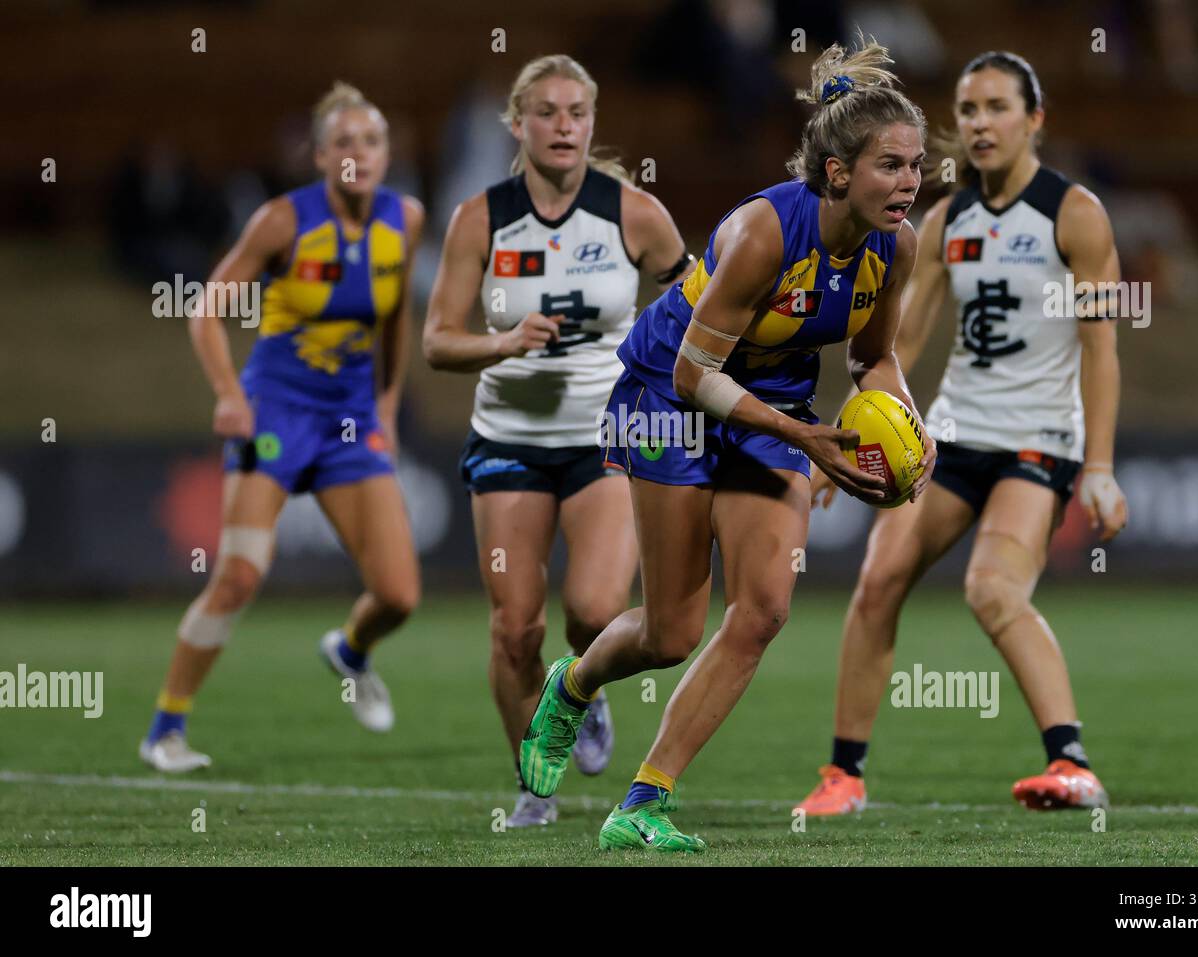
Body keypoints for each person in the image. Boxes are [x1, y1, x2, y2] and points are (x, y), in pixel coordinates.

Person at [518, 38, 936, 852]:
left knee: (764, 610)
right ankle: (569, 687)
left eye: (918, 165)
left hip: (774, 403)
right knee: (671, 632)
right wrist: (806, 439)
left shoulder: (897, 245)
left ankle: (643, 800)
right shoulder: (761, 231)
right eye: (891, 165)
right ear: (840, 171)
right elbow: (690, 372)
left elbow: (870, 358)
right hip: (667, 397)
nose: (910, 183)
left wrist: (909, 430)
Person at [794, 52, 1128, 816]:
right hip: (952, 432)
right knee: (877, 582)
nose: (979, 123)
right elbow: (898, 347)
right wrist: (837, 446)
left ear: (1034, 118)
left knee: (990, 587)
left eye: (997, 107)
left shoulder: (1076, 213)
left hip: (1039, 437)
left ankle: (1071, 762)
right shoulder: (945, 219)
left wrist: (1102, 464)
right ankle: (843, 776)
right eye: (968, 109)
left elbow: (1102, 344)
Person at [422, 55, 691, 827]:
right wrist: (501, 344)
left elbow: (698, 307)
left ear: (593, 123)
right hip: (509, 438)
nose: (564, 124)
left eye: (577, 111)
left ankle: (585, 687)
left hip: (605, 437)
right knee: (514, 627)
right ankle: (534, 787)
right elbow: (438, 341)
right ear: (518, 124)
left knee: (596, 608)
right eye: (546, 111)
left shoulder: (634, 213)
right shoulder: (481, 216)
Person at [140, 83, 424, 772]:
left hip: (350, 421)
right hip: (274, 413)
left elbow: (393, 315)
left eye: (372, 140)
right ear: (322, 155)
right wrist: (229, 394)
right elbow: (205, 308)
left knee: (398, 595)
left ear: (387, 153)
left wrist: (387, 400)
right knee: (238, 573)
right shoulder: (281, 220)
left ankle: (351, 651)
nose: (359, 153)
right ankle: (166, 728)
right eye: (345, 142)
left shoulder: (406, 219)